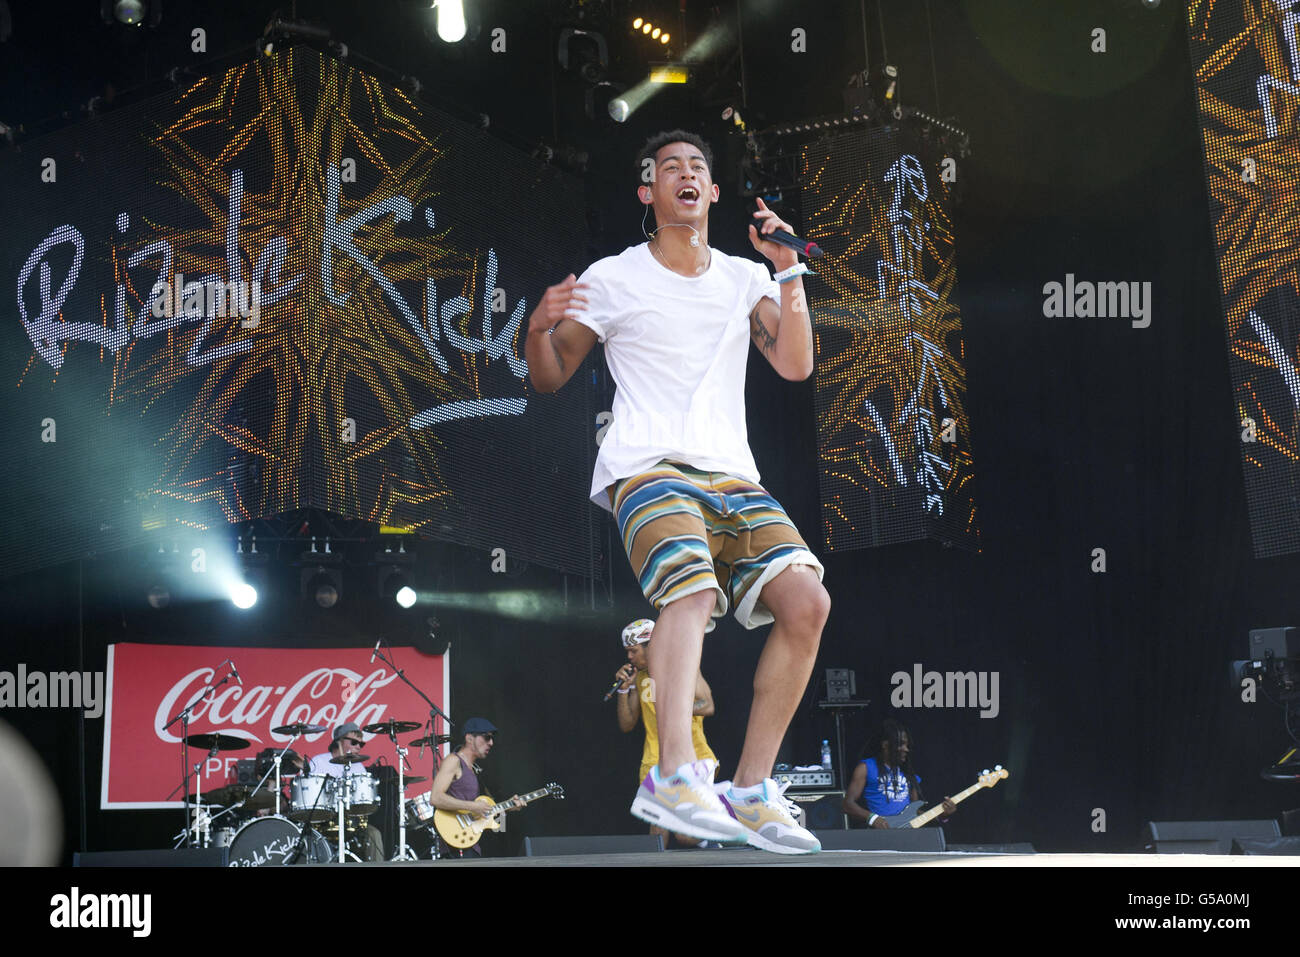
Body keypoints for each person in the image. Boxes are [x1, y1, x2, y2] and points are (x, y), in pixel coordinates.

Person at [527, 129, 831, 854]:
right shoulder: (615, 276)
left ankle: (752, 787)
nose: (686, 175)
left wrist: (787, 272)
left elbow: (793, 364)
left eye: (698, 167)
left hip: (732, 473)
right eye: (670, 168)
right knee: (690, 590)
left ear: (714, 192)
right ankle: (672, 774)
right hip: (647, 464)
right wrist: (536, 327)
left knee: (808, 603)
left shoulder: (742, 278)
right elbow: (548, 374)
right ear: (649, 192)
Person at [612, 617, 718, 848]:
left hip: (693, 755)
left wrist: (674, 706)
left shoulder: (683, 666)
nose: (629, 657)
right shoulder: (639, 677)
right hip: (655, 759)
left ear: (652, 646)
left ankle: (720, 822)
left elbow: (707, 705)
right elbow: (627, 725)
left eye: (633, 651)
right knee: (657, 823)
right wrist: (624, 689)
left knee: (685, 836)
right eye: (627, 652)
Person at [427, 717, 519, 856]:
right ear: (469, 738)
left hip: (471, 843)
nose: (491, 743)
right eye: (487, 738)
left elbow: (483, 811)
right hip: (456, 845)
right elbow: (436, 798)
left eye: (492, 739)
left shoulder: (474, 770)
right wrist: (473, 806)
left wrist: (509, 806)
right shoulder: (454, 761)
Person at [842, 720, 956, 828]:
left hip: (908, 833)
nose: (906, 749)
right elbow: (848, 805)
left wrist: (942, 815)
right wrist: (873, 818)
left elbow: (915, 812)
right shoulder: (866, 768)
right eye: (901, 744)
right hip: (880, 834)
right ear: (885, 745)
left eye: (907, 745)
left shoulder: (908, 774)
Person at [308, 722, 384, 860]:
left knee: (374, 834)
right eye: (354, 742)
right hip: (324, 820)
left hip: (351, 821)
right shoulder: (319, 761)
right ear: (339, 741)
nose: (358, 747)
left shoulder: (358, 766)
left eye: (361, 744)